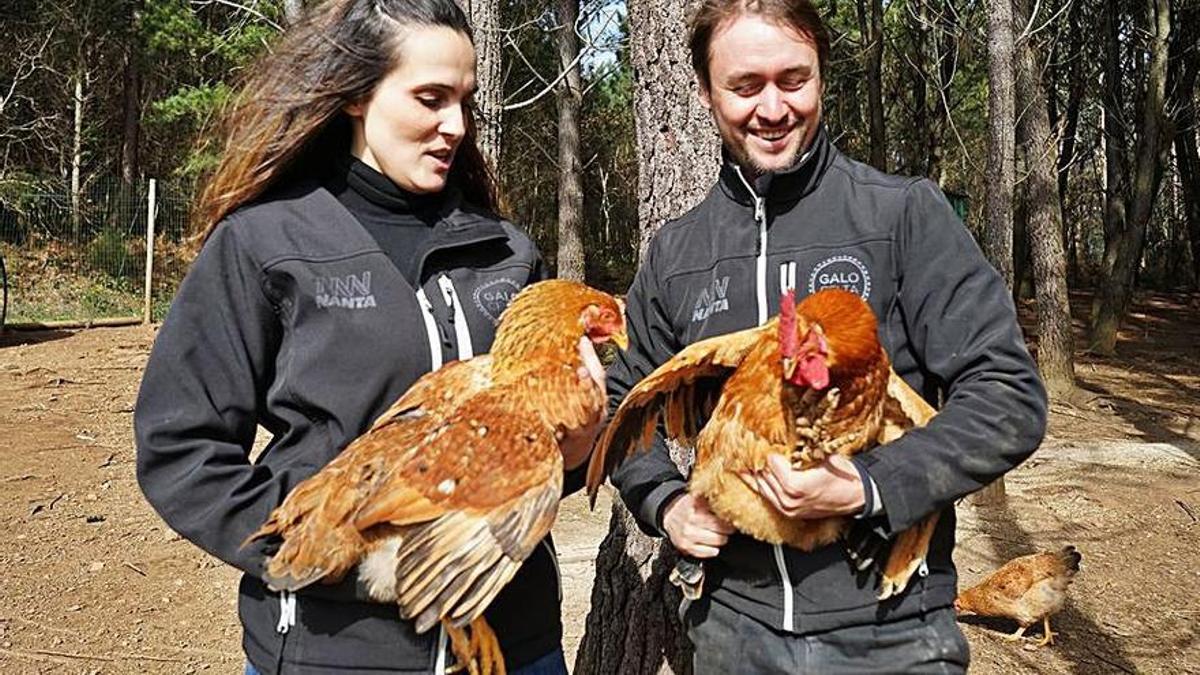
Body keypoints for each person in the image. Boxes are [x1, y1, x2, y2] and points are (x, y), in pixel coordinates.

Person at [134, 2, 599, 673]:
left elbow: (534, 446)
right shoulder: (268, 243)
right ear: (356, 94)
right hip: (338, 648)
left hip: (508, 645)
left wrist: (579, 445)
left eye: (465, 101)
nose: (456, 126)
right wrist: (317, 553)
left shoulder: (506, 253)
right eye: (430, 98)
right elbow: (181, 443)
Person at [607, 0, 1048, 672]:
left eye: (794, 79)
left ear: (822, 75)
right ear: (703, 91)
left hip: (892, 629)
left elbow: (1009, 396)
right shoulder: (678, 254)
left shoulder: (900, 216)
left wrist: (869, 485)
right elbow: (622, 401)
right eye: (745, 86)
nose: (774, 108)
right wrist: (663, 501)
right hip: (733, 627)